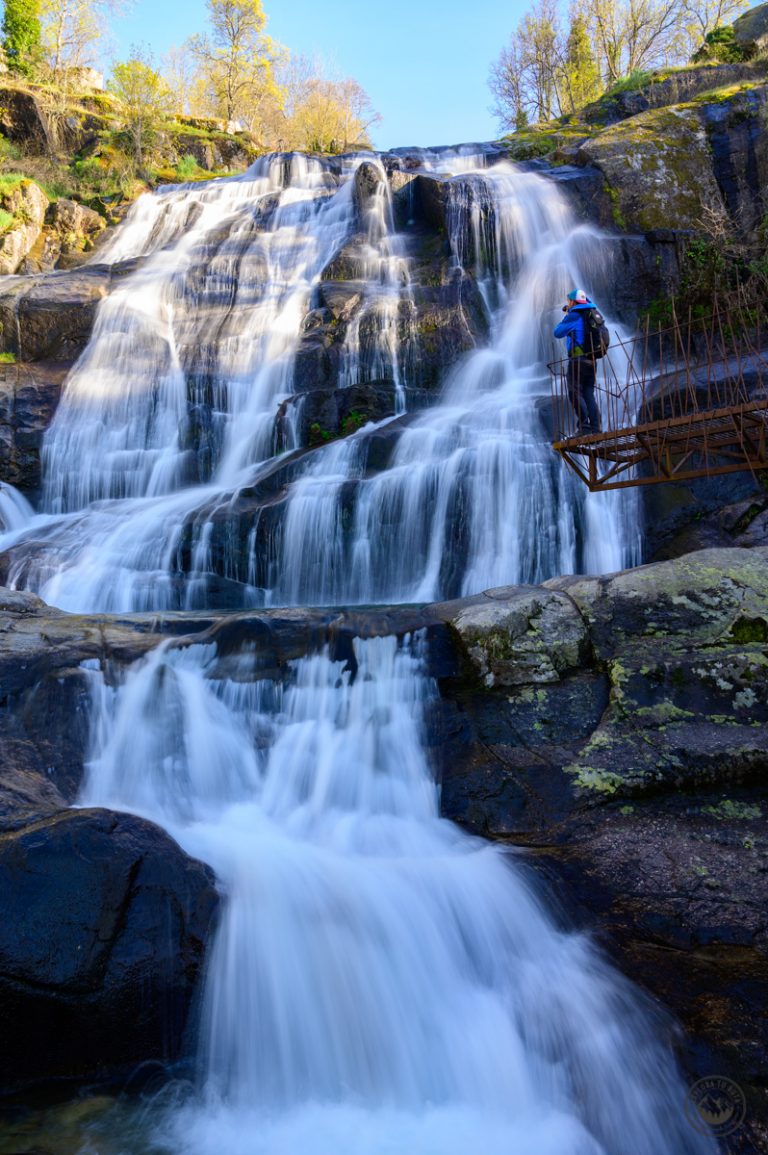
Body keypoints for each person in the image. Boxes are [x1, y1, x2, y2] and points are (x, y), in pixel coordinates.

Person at [553, 288, 602, 435]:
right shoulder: (592, 313)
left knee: (574, 392)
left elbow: (557, 332)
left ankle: (584, 427)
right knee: (588, 394)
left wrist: (568, 314)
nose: (567, 303)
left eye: (569, 300)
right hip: (592, 360)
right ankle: (596, 428)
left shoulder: (574, 315)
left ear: (573, 301)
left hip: (578, 361)